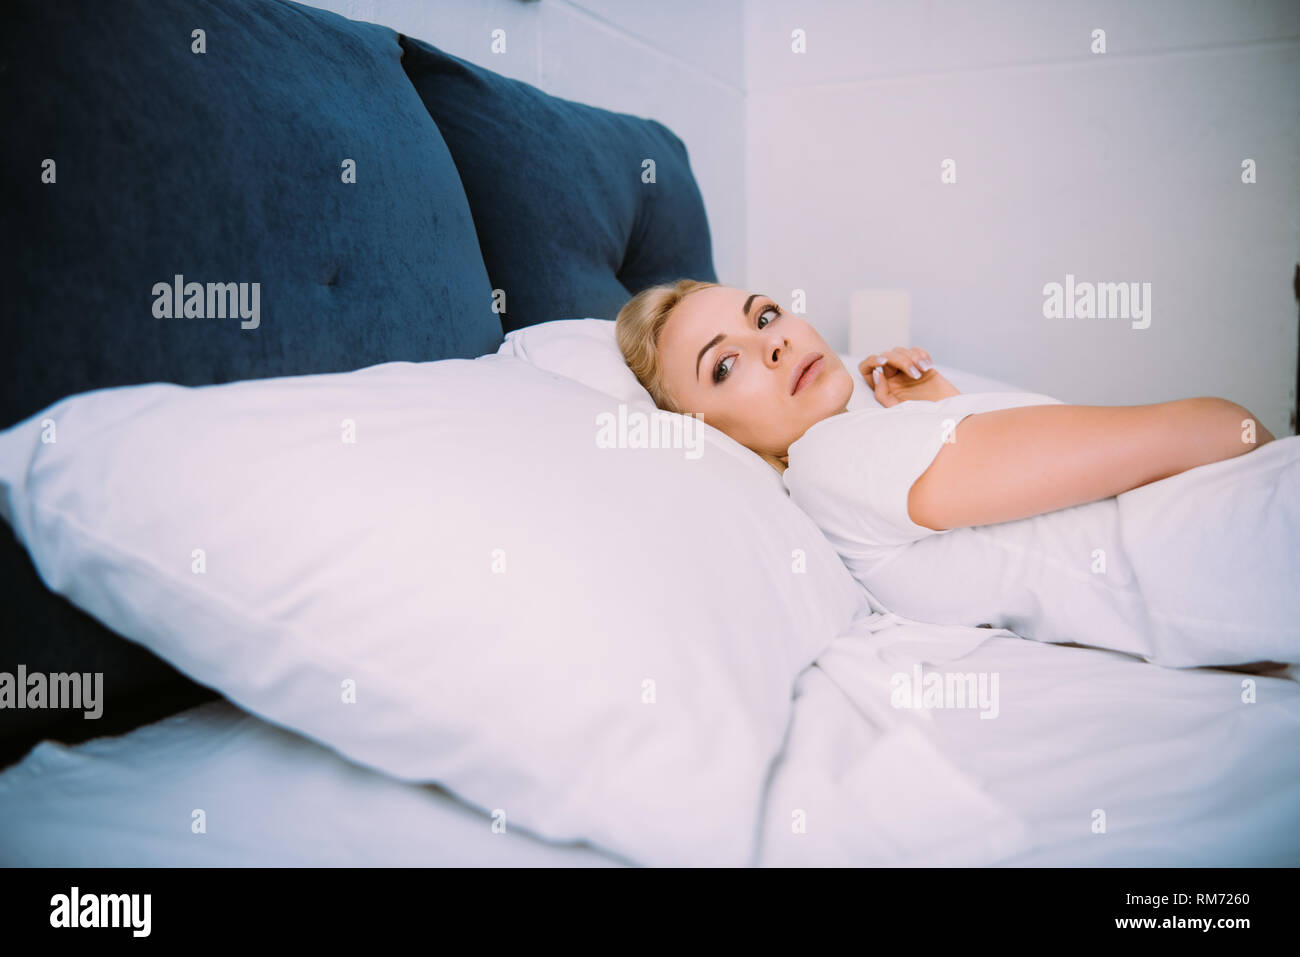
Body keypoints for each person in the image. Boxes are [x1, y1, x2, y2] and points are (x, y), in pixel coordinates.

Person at [615, 278, 1295, 668]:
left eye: (764, 314)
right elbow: (1218, 428)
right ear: (709, 435)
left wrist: (942, 406)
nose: (772, 340)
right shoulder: (833, 461)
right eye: (723, 365)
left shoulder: (858, 451)